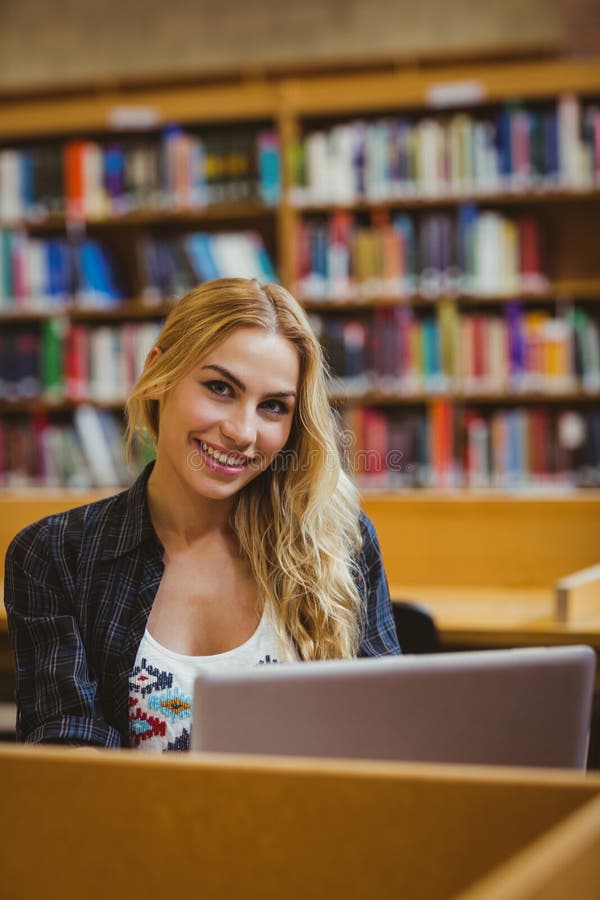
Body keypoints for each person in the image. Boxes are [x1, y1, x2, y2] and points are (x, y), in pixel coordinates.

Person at [5, 278, 400, 751]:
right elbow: (70, 761)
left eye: (273, 406)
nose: (242, 432)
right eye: (220, 388)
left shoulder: (339, 543)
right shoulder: (56, 556)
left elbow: (385, 736)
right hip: (139, 825)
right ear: (160, 373)